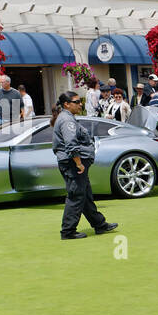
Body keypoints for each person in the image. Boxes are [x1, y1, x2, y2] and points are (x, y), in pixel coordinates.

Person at [51, 90, 116, 240]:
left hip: (73, 163)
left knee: (85, 195)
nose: (80, 104)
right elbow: (71, 144)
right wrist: (79, 163)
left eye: (80, 101)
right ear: (66, 104)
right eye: (76, 102)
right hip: (73, 164)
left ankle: (99, 224)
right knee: (76, 196)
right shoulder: (67, 120)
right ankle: (68, 231)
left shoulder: (68, 118)